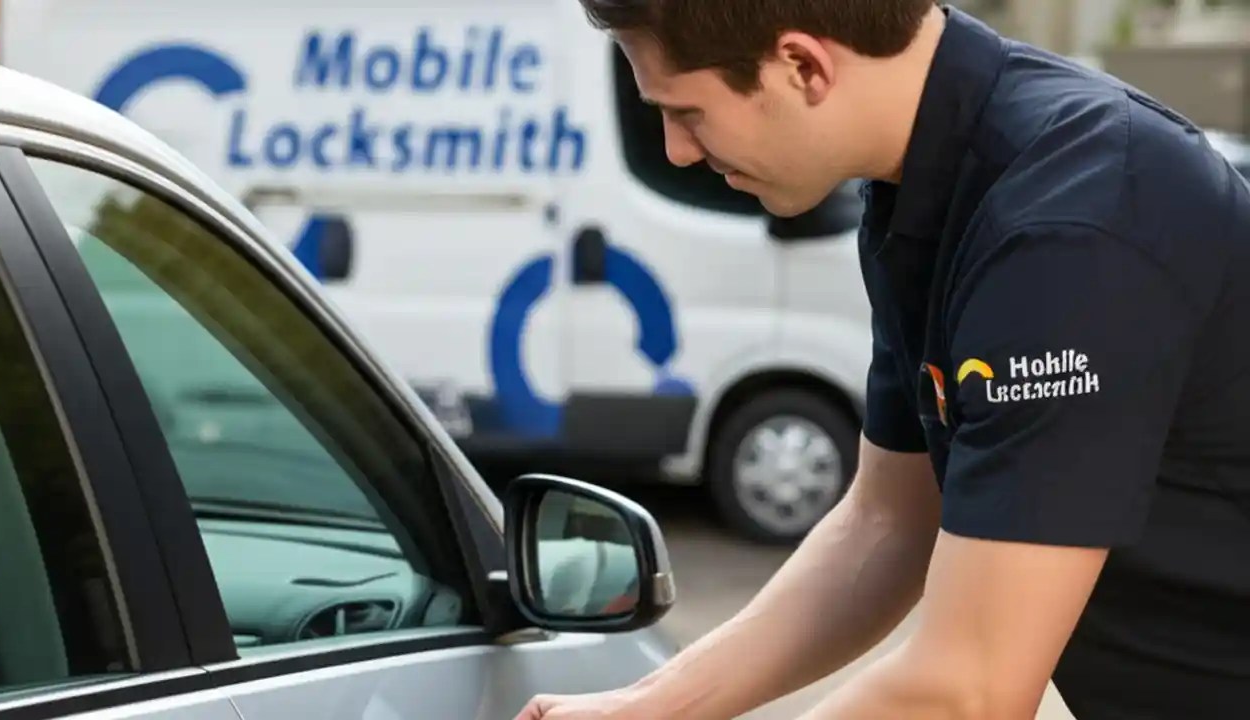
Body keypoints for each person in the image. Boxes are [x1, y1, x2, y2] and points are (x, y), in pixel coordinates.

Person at [513, 1, 1250, 719]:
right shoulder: (931, 186)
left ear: (803, 65)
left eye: (687, 112)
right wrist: (644, 707)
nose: (676, 148)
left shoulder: (1072, 222)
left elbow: (970, 690)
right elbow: (887, 523)